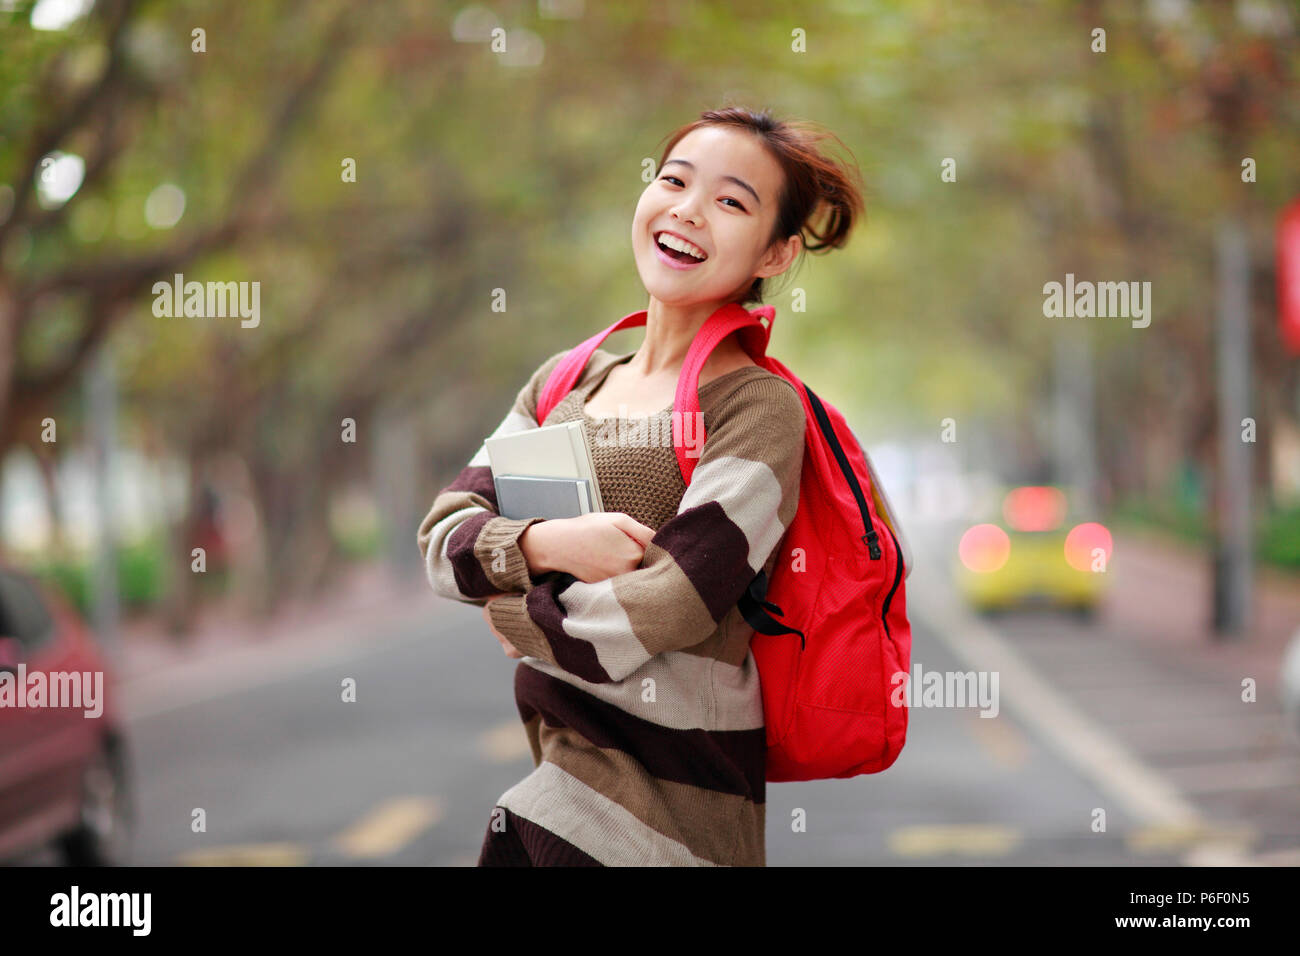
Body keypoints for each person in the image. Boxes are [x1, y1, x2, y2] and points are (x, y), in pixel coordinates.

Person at [417, 105, 865, 866]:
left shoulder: (757, 407)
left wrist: (520, 618)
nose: (688, 210)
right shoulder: (565, 384)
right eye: (674, 180)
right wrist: (546, 542)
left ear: (777, 253)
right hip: (559, 793)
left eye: (731, 201)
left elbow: (677, 602)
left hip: (673, 821)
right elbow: (440, 540)